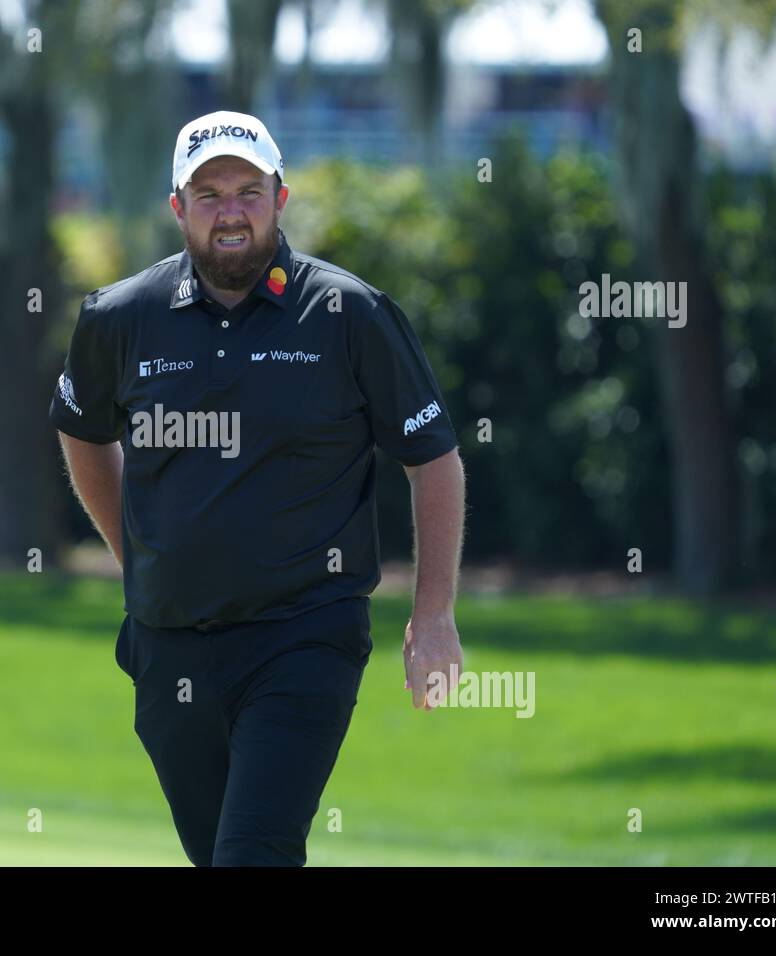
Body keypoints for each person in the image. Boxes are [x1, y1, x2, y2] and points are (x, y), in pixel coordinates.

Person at [49, 109, 466, 866]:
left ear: (281, 197)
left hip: (304, 638)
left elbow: (433, 459)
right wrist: (138, 554)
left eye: (249, 190)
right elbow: (83, 431)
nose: (230, 212)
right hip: (169, 647)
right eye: (209, 195)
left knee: (253, 855)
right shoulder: (120, 318)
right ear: (179, 209)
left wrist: (433, 615)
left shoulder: (350, 314)